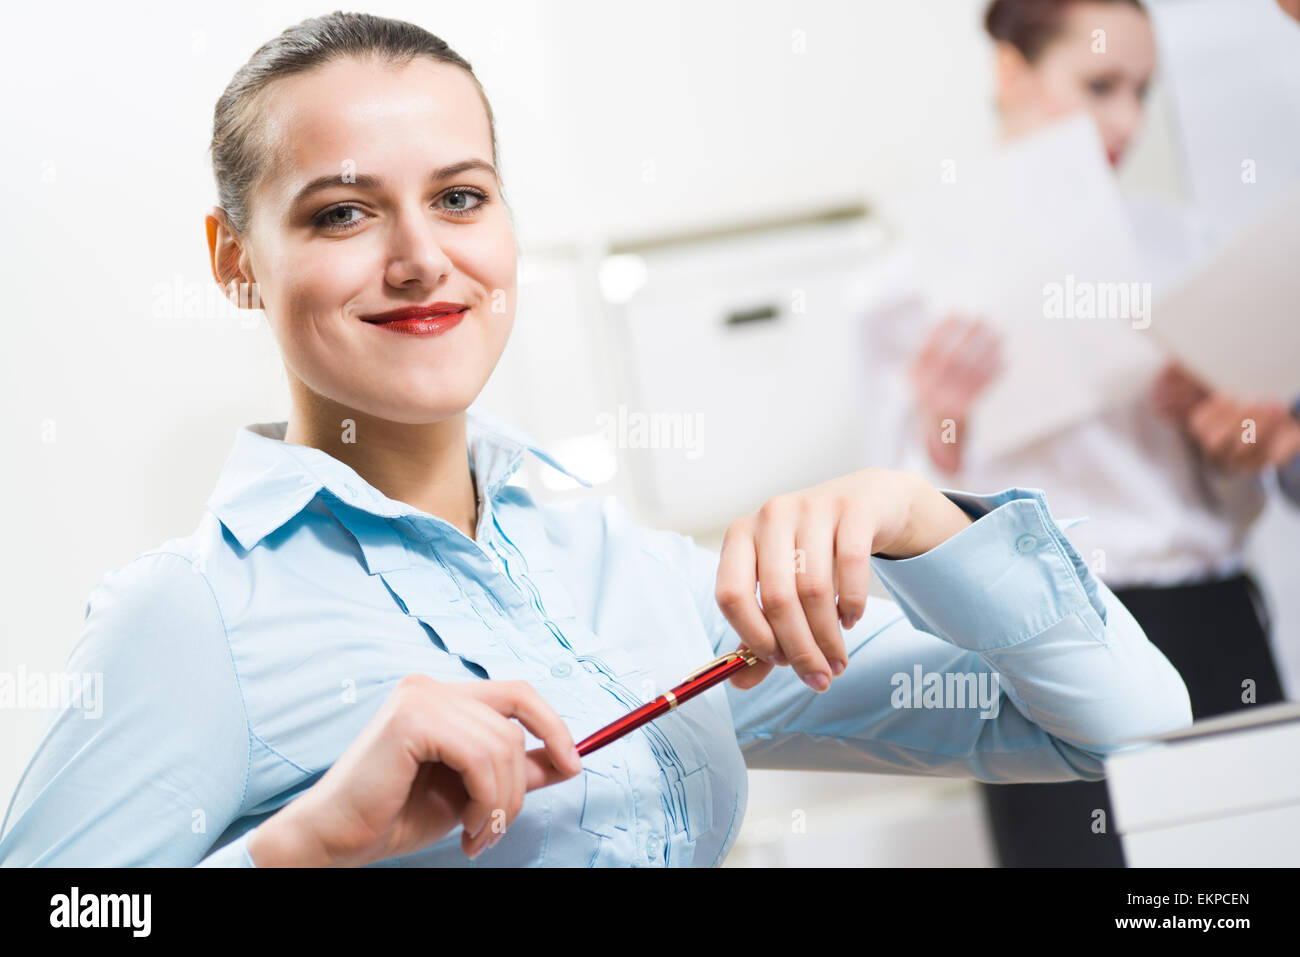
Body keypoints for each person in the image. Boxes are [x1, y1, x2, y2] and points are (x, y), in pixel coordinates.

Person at [0, 11, 1191, 869]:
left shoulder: (626, 572)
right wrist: (299, 851)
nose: (421, 256)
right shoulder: (190, 616)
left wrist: (921, 519)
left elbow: (1123, 729)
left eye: (460, 197)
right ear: (233, 262)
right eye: (344, 212)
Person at [872, 0, 1295, 867]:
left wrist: (1232, 439)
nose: (1126, 121)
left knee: (1244, 886)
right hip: (1046, 645)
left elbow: (1225, 498)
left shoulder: (1183, 243)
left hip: (1210, 624)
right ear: (1011, 73)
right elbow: (899, 520)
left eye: (1141, 91)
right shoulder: (909, 279)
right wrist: (943, 416)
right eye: (1099, 85)